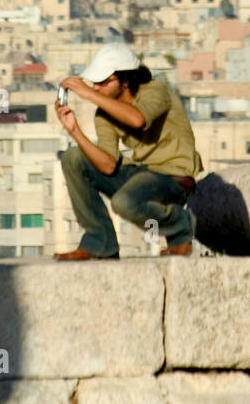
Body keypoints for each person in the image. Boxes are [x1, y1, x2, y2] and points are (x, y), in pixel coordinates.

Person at [53, 42, 202, 260]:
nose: (95, 88)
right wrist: (74, 131)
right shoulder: (104, 114)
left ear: (124, 80)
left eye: (103, 82)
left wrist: (88, 95)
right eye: (94, 83)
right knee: (73, 157)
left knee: (123, 203)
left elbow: (137, 119)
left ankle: (181, 228)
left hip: (173, 176)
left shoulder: (156, 90)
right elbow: (108, 165)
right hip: (141, 173)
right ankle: (100, 242)